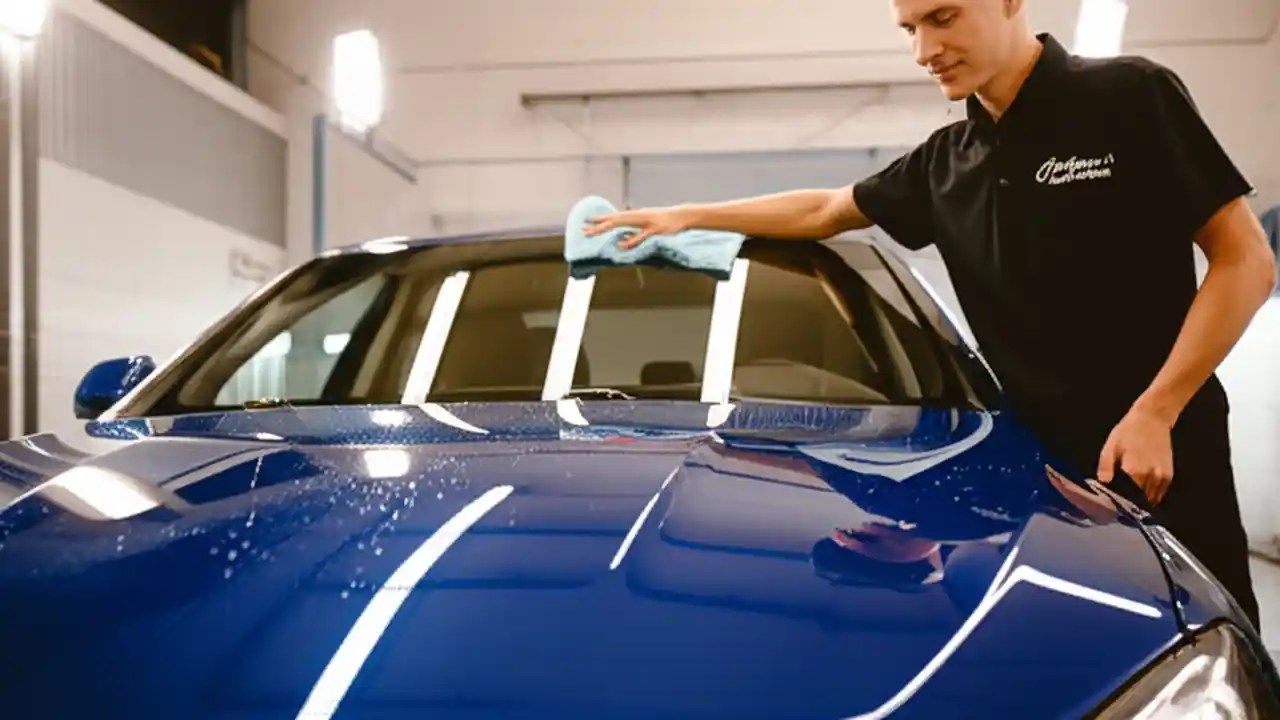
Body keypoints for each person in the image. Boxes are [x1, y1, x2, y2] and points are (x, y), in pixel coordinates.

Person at [585, 0, 1277, 629]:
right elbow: (825, 209)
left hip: (1157, 451)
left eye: (942, 17)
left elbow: (1246, 260)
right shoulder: (946, 164)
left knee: (1205, 648)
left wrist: (1159, 408)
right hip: (1028, 473)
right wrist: (685, 215)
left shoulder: (1130, 96)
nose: (924, 51)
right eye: (910, 29)